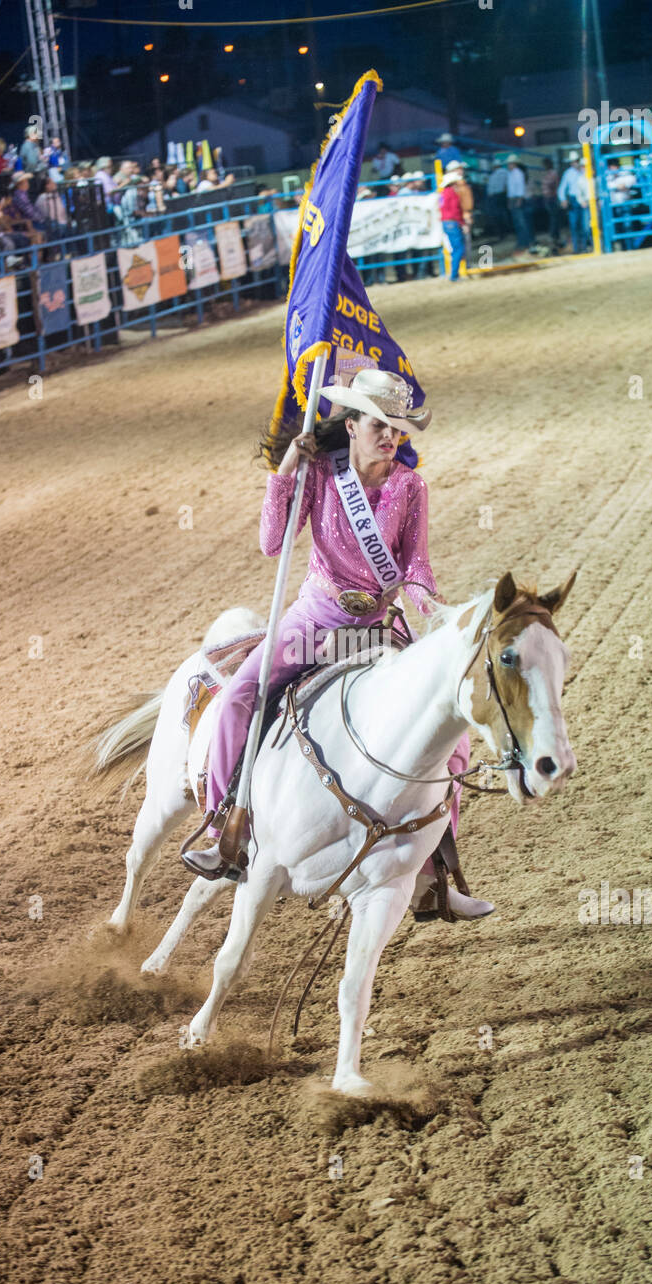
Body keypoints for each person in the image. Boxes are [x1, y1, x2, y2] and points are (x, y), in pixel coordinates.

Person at [183, 369, 494, 918]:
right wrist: (286, 471)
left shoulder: (409, 486)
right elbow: (272, 543)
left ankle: (434, 871)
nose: (390, 438)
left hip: (378, 627)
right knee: (239, 699)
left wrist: (434, 611)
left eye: (397, 429)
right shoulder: (319, 476)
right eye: (379, 425)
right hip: (315, 623)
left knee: (455, 736)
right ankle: (226, 831)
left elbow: (415, 567)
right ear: (350, 425)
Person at [558, 151, 591, 253]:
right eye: (573, 161)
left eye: (576, 161)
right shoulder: (568, 173)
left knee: (585, 225)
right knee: (574, 224)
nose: (574, 163)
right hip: (573, 200)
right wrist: (563, 199)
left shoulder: (584, 171)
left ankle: (584, 247)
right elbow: (562, 188)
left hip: (584, 199)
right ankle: (577, 248)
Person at [439, 170, 466, 281]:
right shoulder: (452, 193)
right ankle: (454, 275)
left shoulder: (442, 193)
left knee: (455, 248)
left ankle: (454, 273)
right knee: (458, 248)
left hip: (445, 222)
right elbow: (455, 209)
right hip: (452, 222)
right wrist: (462, 222)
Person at [445, 160, 473, 265]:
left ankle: (464, 265)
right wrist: (465, 215)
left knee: (463, 243)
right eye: (458, 169)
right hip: (457, 217)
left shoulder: (459, 184)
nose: (461, 171)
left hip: (457, 216)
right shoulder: (456, 186)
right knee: (459, 244)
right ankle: (460, 267)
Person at [506, 153, 534, 255]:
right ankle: (524, 242)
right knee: (518, 222)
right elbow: (511, 189)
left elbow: (520, 188)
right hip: (514, 198)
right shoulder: (512, 174)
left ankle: (525, 243)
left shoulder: (518, 173)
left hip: (517, 198)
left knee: (521, 222)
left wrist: (519, 199)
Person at [540, 156, 561, 251]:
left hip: (552, 198)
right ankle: (555, 237)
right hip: (548, 198)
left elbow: (554, 185)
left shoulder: (552, 173)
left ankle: (554, 236)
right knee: (553, 217)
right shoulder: (548, 173)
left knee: (554, 218)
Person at [485, 158, 509, 239]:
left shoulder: (494, 175)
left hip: (496, 196)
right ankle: (505, 231)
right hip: (501, 195)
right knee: (502, 213)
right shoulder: (505, 172)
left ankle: (502, 233)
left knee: (498, 214)